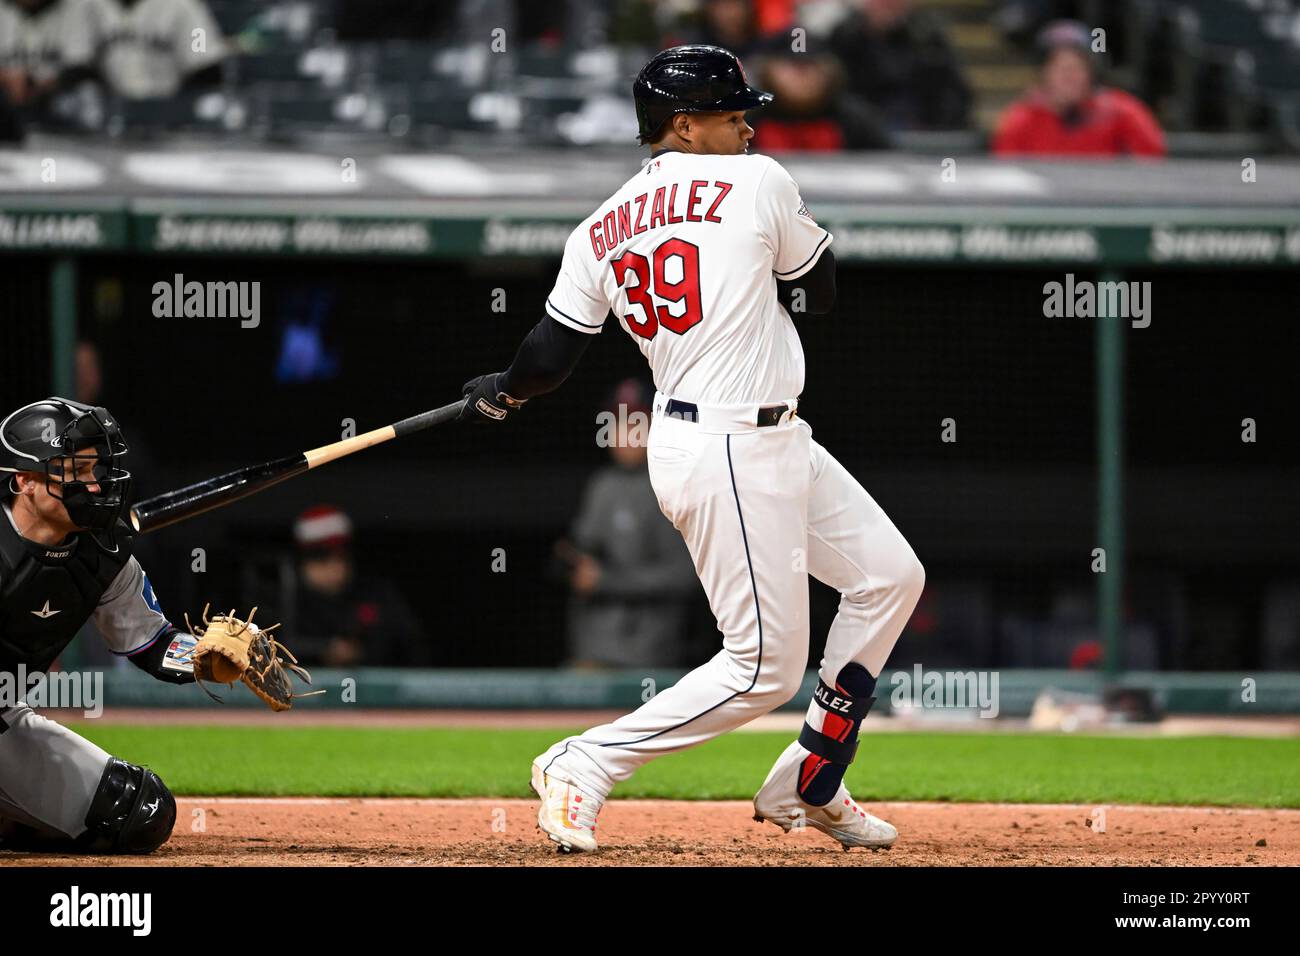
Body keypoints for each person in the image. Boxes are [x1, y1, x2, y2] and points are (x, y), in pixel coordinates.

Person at [456, 44, 924, 853]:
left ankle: (810, 775)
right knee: (763, 670)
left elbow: (546, 361)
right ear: (682, 124)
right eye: (731, 112)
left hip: (757, 437)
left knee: (889, 578)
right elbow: (819, 291)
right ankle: (585, 761)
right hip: (727, 444)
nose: (747, 124)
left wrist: (497, 389)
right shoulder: (762, 180)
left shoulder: (599, 225)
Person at [0, 398, 194, 854]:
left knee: (138, 811)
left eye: (97, 469)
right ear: (25, 480)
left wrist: (205, 658)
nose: (94, 483)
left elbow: (152, 643)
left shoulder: (101, 556)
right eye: (77, 470)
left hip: (3, 720)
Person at [557, 379, 698, 669]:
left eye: (636, 422)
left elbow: (685, 576)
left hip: (647, 655)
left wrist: (605, 581)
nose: (625, 433)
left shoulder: (672, 487)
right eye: (619, 422)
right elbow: (582, 554)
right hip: (592, 649)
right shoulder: (602, 485)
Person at [992, 19, 1165, 157]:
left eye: (1078, 68)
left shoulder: (1121, 112)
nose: (1070, 77)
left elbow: (1153, 163)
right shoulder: (1021, 119)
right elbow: (1008, 175)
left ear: (1091, 73)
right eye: (1061, 69)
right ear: (1044, 73)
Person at [284, 505, 427, 668]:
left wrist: (363, 651)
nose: (336, 569)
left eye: (342, 558)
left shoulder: (377, 596)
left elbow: (411, 649)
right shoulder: (282, 604)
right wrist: (321, 652)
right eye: (322, 559)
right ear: (301, 563)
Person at [828, 0, 971, 132]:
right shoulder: (845, 38)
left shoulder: (928, 38)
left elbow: (954, 92)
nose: (888, 6)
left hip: (922, 131)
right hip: (863, 132)